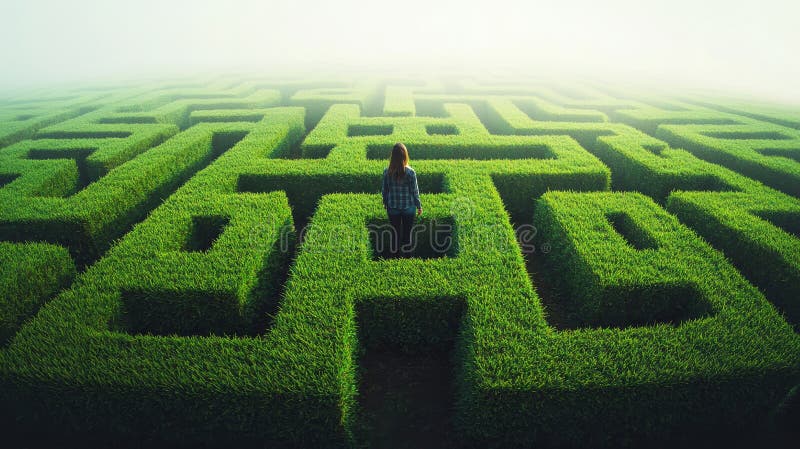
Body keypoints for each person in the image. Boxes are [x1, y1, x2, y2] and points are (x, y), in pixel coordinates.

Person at [381, 142, 422, 258]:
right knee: (407, 236)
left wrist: (385, 203)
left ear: (392, 156)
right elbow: (415, 191)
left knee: (395, 235)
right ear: (405, 155)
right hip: (408, 208)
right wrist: (419, 206)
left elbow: (384, 190)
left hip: (393, 208)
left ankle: (395, 259)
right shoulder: (410, 172)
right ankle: (408, 259)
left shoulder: (386, 172)